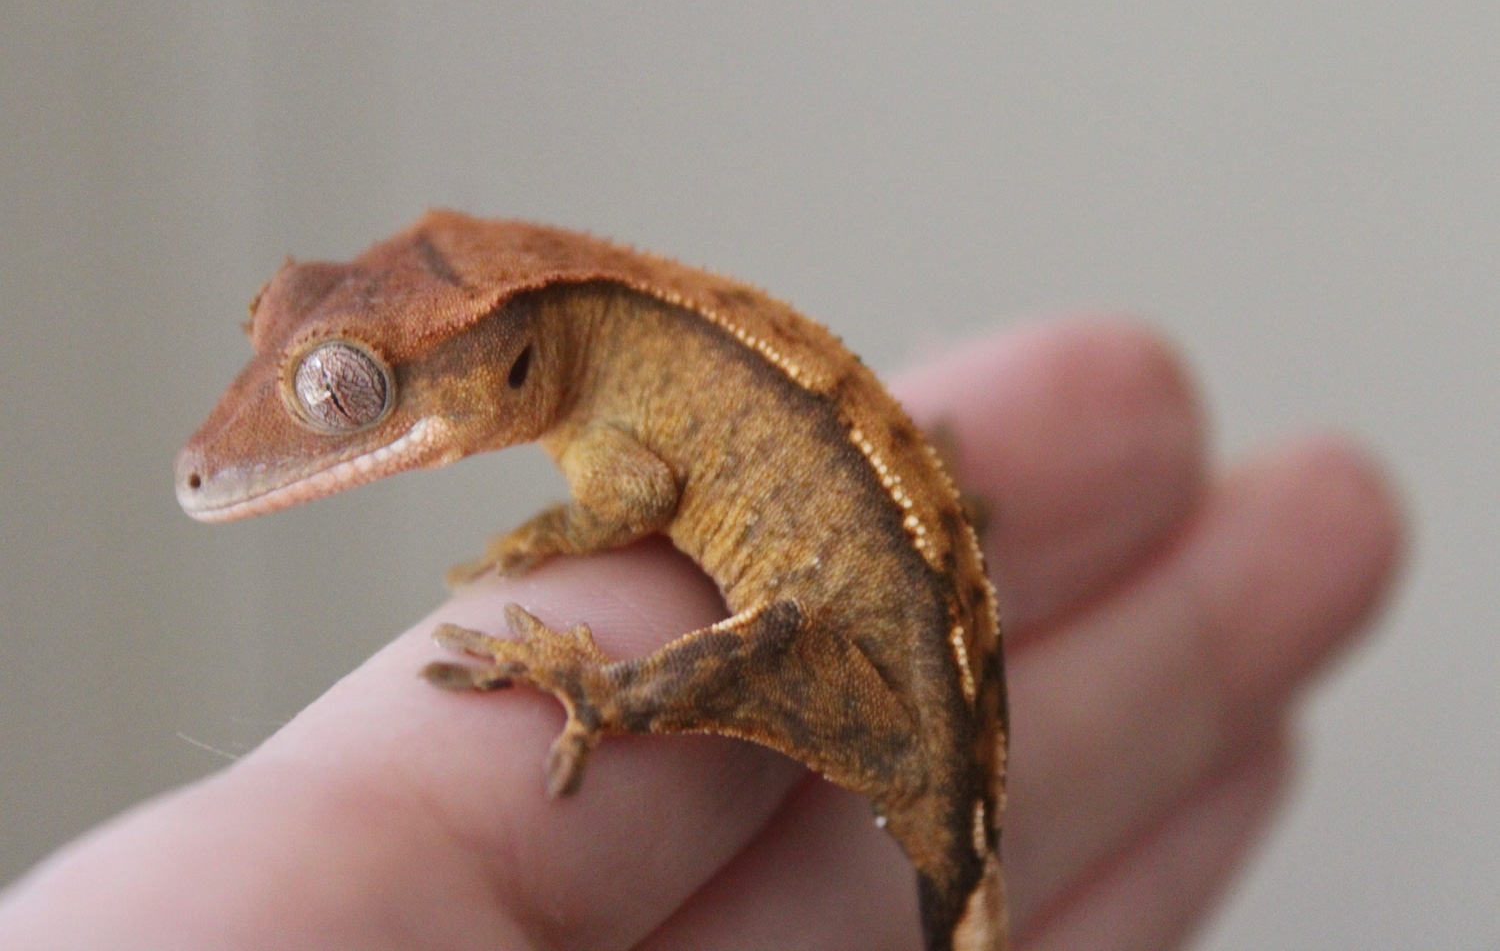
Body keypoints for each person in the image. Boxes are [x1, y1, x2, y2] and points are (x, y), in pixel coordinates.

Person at [0, 318, 1403, 950]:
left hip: (889, 703)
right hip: (913, 637)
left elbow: (635, 493)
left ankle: (604, 703)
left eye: (350, 391)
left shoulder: (609, 399)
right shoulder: (614, 348)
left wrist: (577, 648)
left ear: (514, 361)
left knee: (772, 631)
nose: (219, 458)